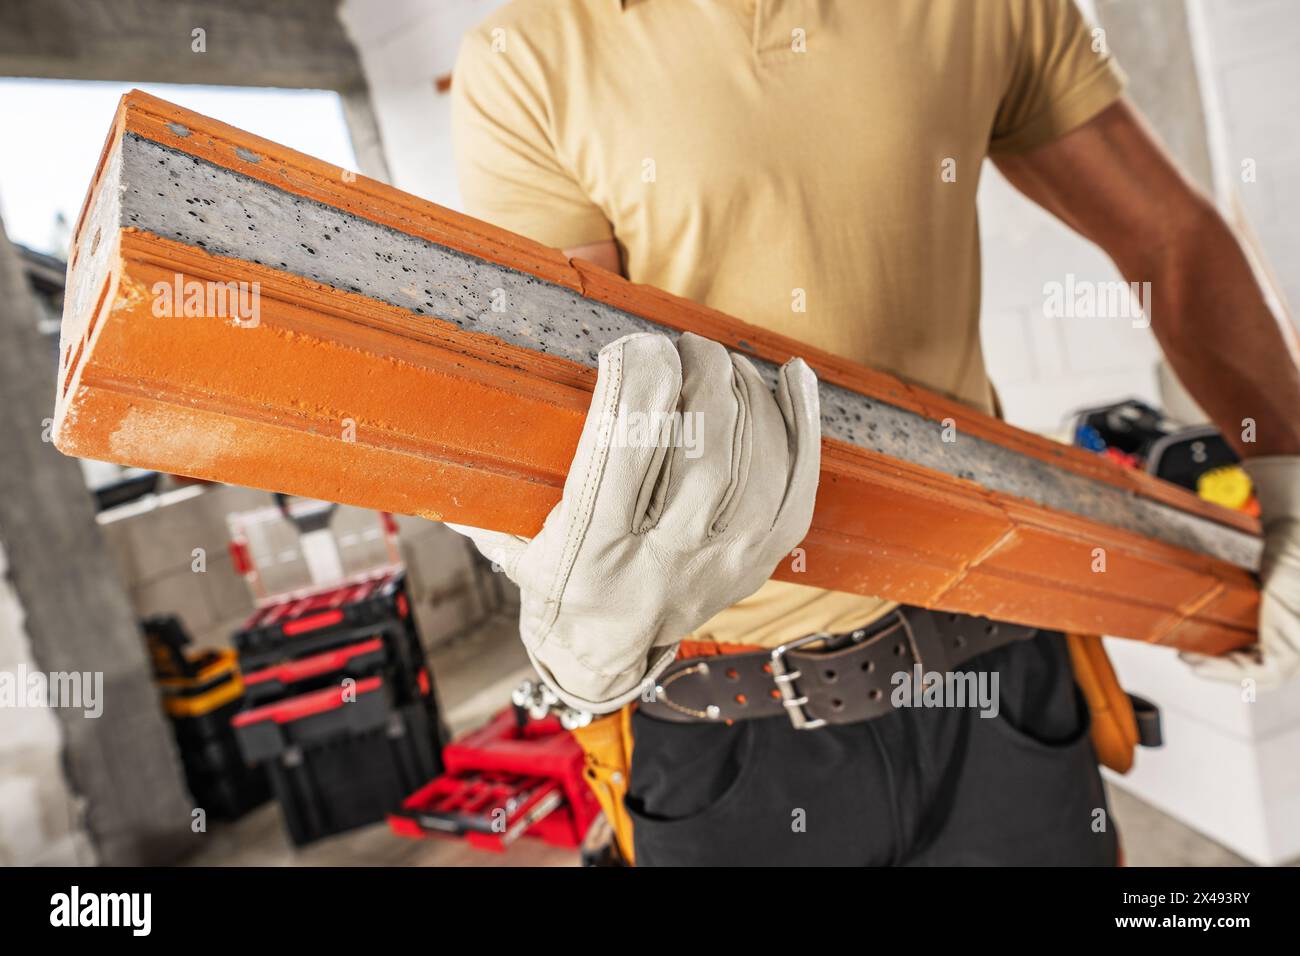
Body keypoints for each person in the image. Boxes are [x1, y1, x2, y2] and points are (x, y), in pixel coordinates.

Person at [447, 0, 1300, 865]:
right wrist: (579, 606)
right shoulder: (530, 59)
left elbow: (1168, 234)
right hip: (727, 728)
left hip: (997, 668)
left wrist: (1288, 475)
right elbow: (589, 391)